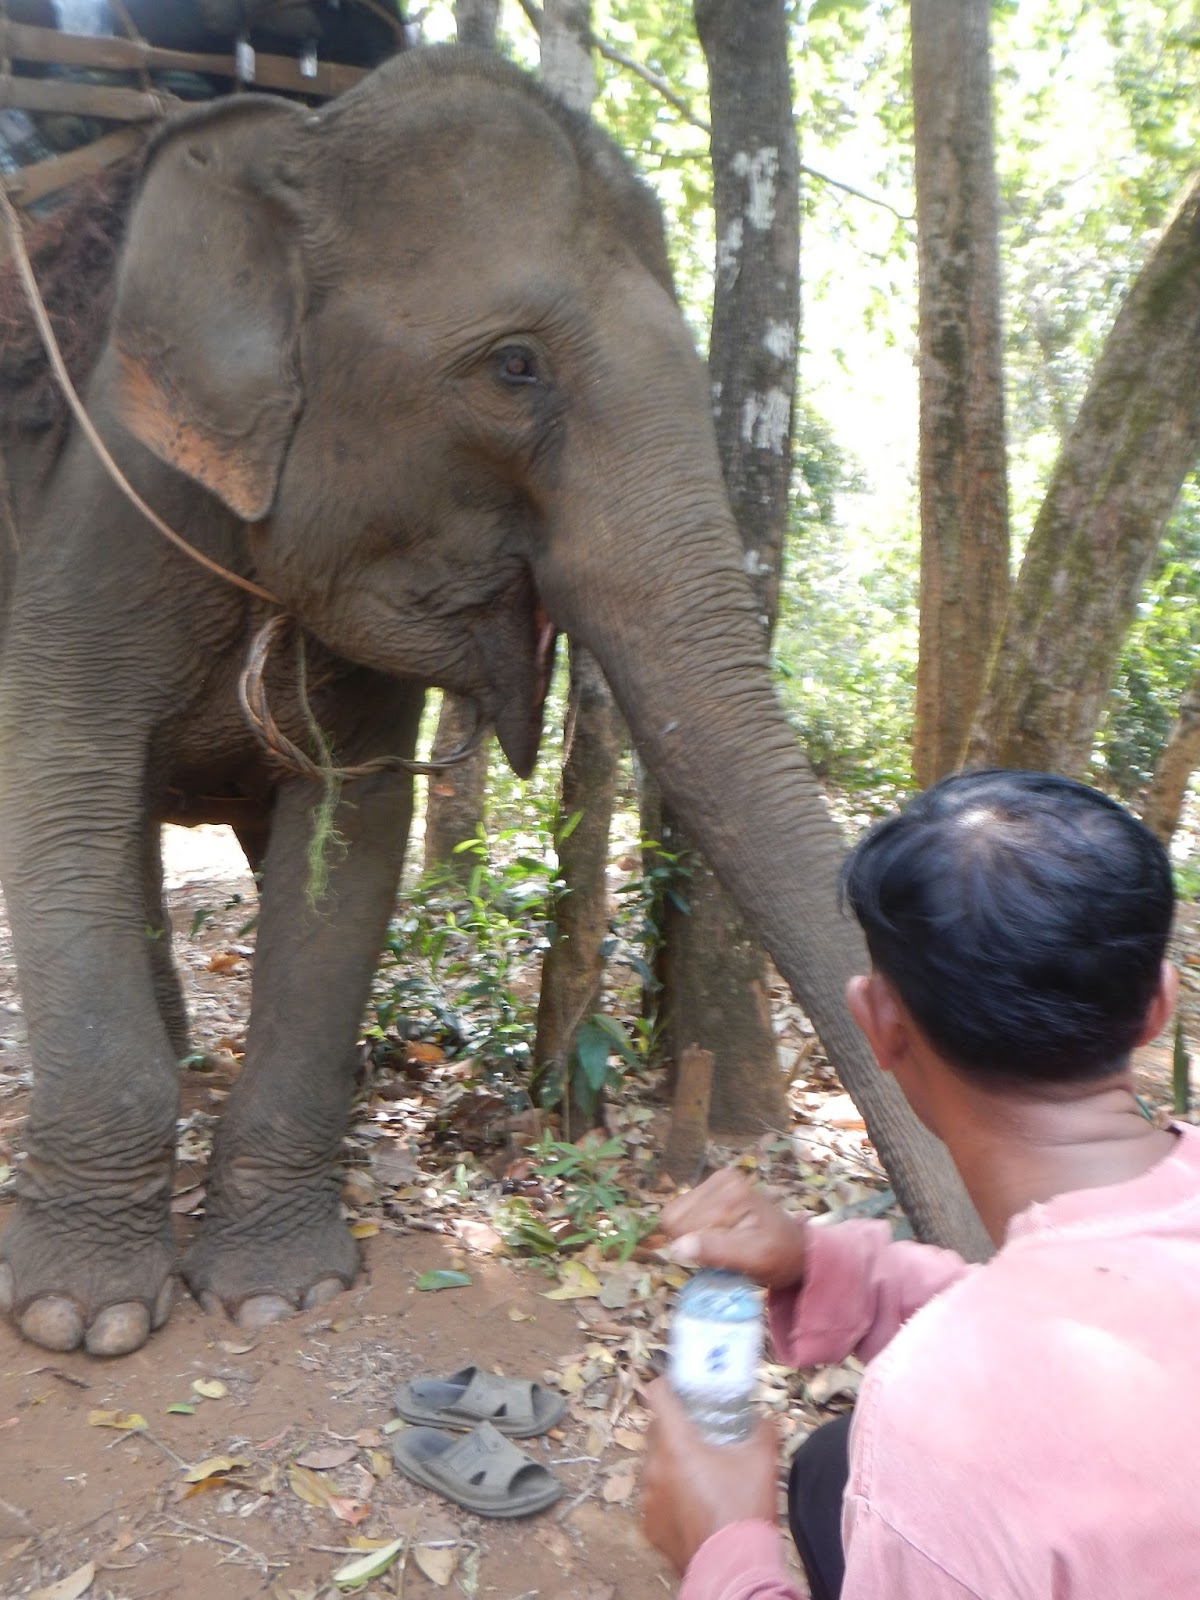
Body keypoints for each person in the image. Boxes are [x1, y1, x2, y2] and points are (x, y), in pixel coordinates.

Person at [642, 769, 1200, 1599]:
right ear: (1159, 1004)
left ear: (881, 1024)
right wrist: (828, 1266)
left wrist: (724, 1553)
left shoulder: (945, 1435)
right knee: (831, 1469)